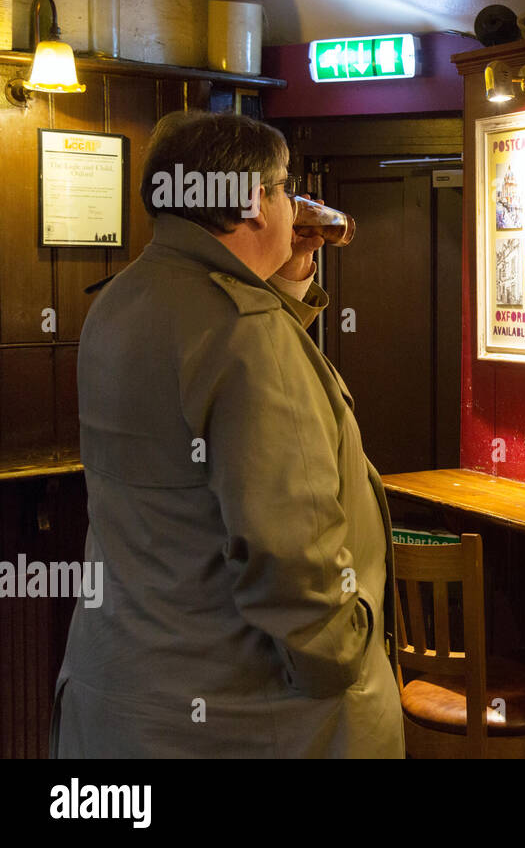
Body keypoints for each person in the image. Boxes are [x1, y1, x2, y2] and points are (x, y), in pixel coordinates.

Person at [51, 111, 404, 757]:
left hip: (123, 703)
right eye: (281, 186)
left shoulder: (118, 303)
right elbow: (288, 557)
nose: (292, 202)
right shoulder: (247, 333)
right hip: (251, 722)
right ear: (249, 203)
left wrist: (286, 277)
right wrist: (347, 657)